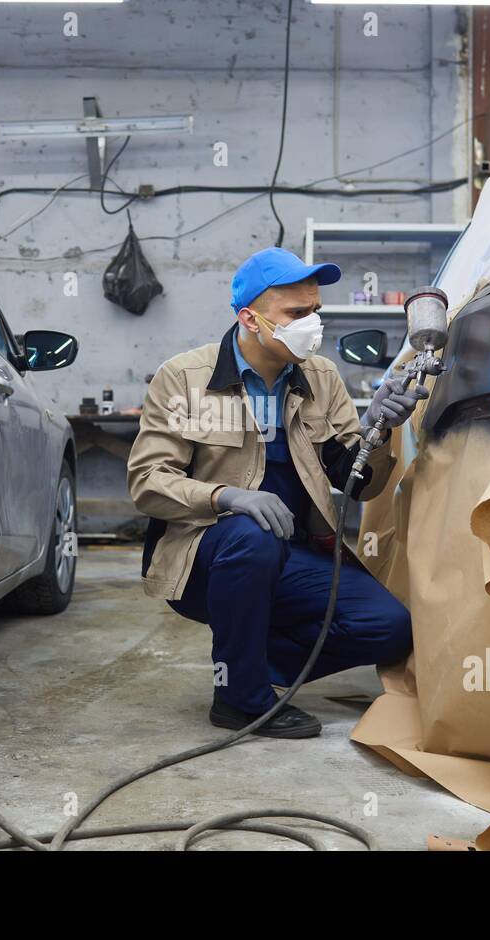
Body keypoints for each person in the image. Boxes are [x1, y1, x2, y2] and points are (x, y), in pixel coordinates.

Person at [127, 247, 428, 738]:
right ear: (250, 319)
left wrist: (378, 429)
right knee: (251, 537)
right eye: (296, 314)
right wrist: (229, 497)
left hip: (292, 553)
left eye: (315, 312)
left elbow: (358, 484)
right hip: (209, 553)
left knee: (388, 626)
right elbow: (147, 481)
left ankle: (253, 661)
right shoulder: (184, 378)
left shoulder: (321, 377)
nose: (312, 325)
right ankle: (240, 701)